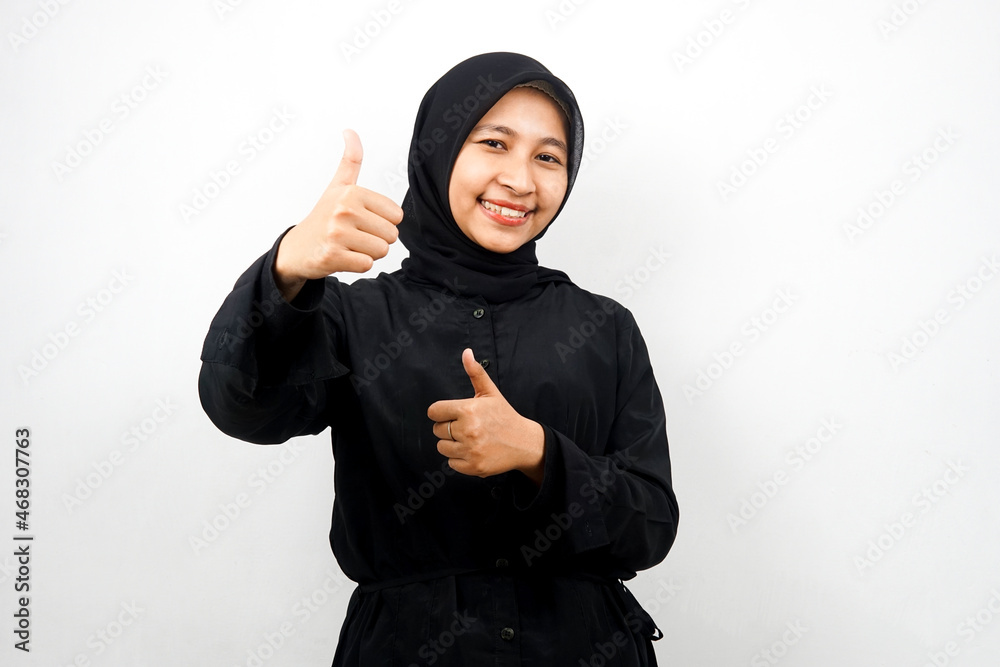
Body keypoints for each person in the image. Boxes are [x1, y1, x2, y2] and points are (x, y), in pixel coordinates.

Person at [198, 51, 679, 666]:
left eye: (547, 157)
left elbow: (651, 526)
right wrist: (287, 267)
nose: (520, 180)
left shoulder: (605, 328)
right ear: (439, 149)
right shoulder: (353, 317)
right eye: (495, 144)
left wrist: (538, 453)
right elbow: (242, 408)